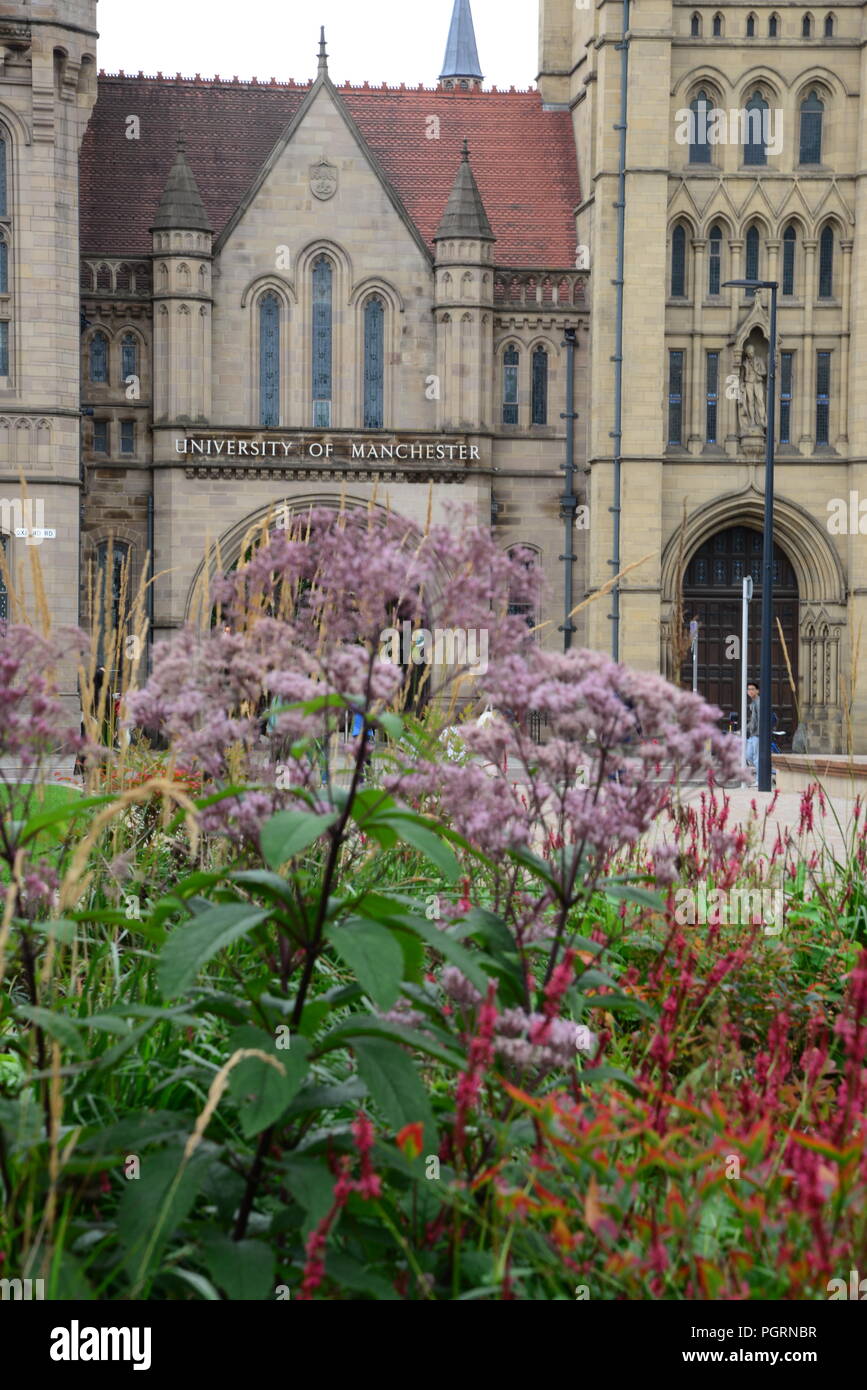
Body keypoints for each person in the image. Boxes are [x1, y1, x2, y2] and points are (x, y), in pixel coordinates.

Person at [745, 681, 760, 777]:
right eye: (749, 689)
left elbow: (759, 720)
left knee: (756, 758)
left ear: (757, 691)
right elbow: (753, 720)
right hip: (752, 734)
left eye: (752, 689)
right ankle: (764, 770)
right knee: (748, 755)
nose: (750, 691)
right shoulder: (753, 702)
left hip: (758, 733)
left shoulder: (759, 702)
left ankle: (759, 780)